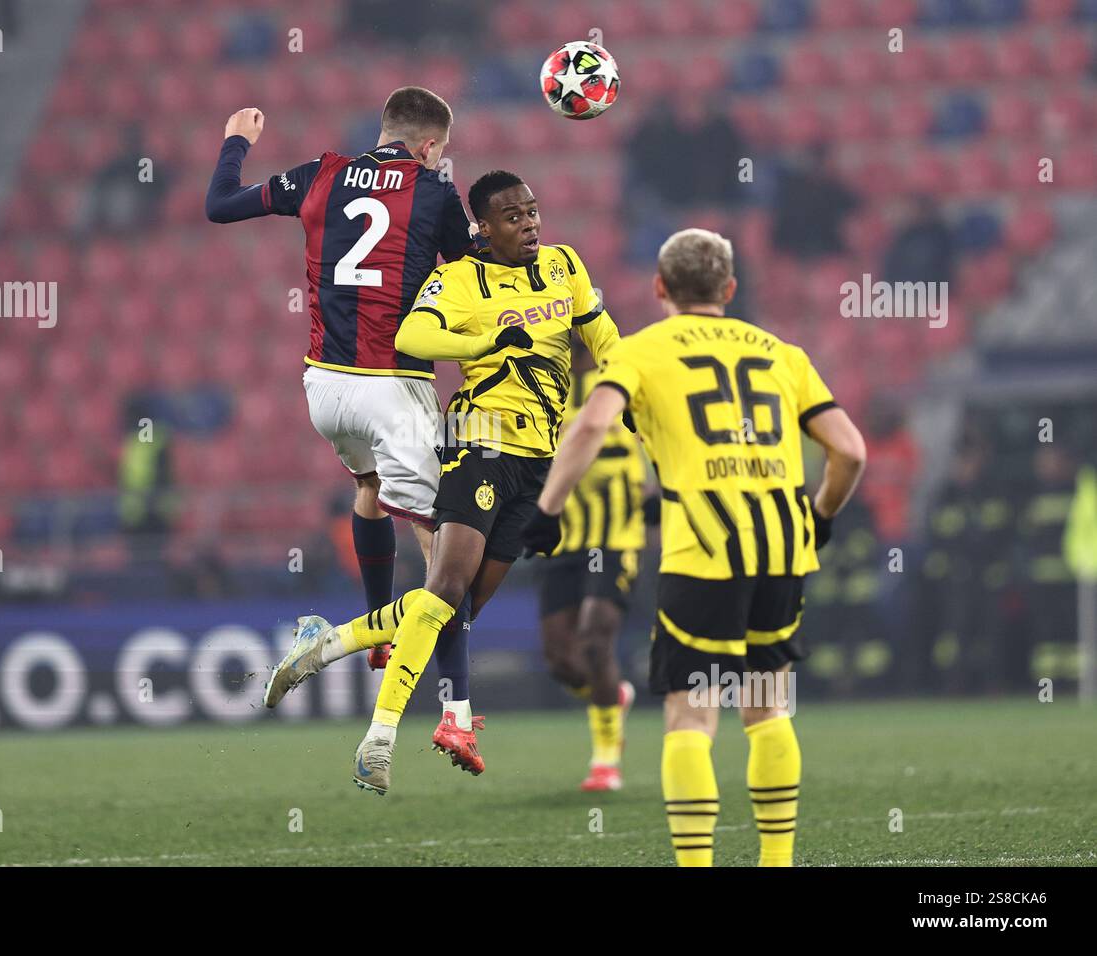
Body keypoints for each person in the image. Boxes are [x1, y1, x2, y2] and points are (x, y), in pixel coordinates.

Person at [262, 170, 623, 794]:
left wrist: (632, 392)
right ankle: (379, 739)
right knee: (446, 587)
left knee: (460, 610)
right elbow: (411, 334)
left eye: (533, 211)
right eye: (513, 217)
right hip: (477, 437)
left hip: (538, 458)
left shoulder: (567, 266)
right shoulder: (460, 277)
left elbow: (604, 337)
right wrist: (484, 336)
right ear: (482, 228)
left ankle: (327, 642)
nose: (530, 224)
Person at [522, 228, 866, 867]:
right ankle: (778, 860)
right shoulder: (782, 353)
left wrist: (546, 513)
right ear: (730, 289)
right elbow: (849, 450)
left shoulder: (640, 351)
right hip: (782, 548)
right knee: (767, 708)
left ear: (660, 289)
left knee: (692, 716)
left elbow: (593, 422)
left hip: (705, 551)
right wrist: (819, 516)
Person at [205, 88, 480, 751]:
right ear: (433, 147)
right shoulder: (436, 194)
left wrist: (236, 137)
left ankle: (376, 637)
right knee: (445, 562)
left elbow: (218, 207)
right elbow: (474, 271)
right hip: (394, 387)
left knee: (368, 489)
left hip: (324, 390)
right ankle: (458, 715)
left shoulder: (318, 174)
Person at [538, 337, 654, 792]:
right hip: (560, 533)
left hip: (616, 533)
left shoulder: (622, 382)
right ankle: (612, 697)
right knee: (560, 660)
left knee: (595, 639)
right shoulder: (545, 386)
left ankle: (606, 760)